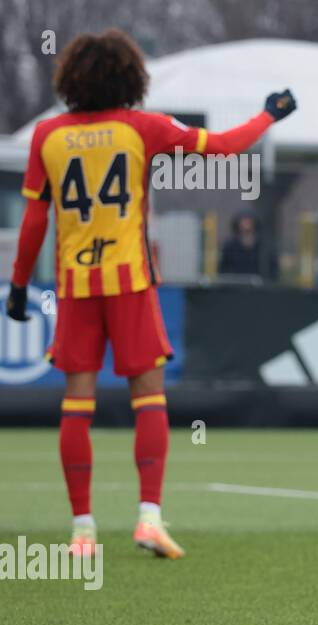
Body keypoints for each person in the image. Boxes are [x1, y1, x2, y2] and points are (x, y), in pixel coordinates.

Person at [4, 28, 297, 559]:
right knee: (149, 399)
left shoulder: (47, 136)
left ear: (70, 80)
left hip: (76, 286)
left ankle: (82, 532)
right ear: (131, 79)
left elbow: (33, 222)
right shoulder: (143, 127)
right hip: (130, 284)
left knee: (76, 405)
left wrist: (19, 285)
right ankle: (149, 519)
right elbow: (225, 148)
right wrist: (268, 115)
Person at [218, 210, 263, 277]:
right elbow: (223, 270)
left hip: (258, 282)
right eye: (244, 222)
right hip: (235, 282)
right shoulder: (229, 246)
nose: (246, 225)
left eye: (249, 222)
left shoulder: (263, 247)